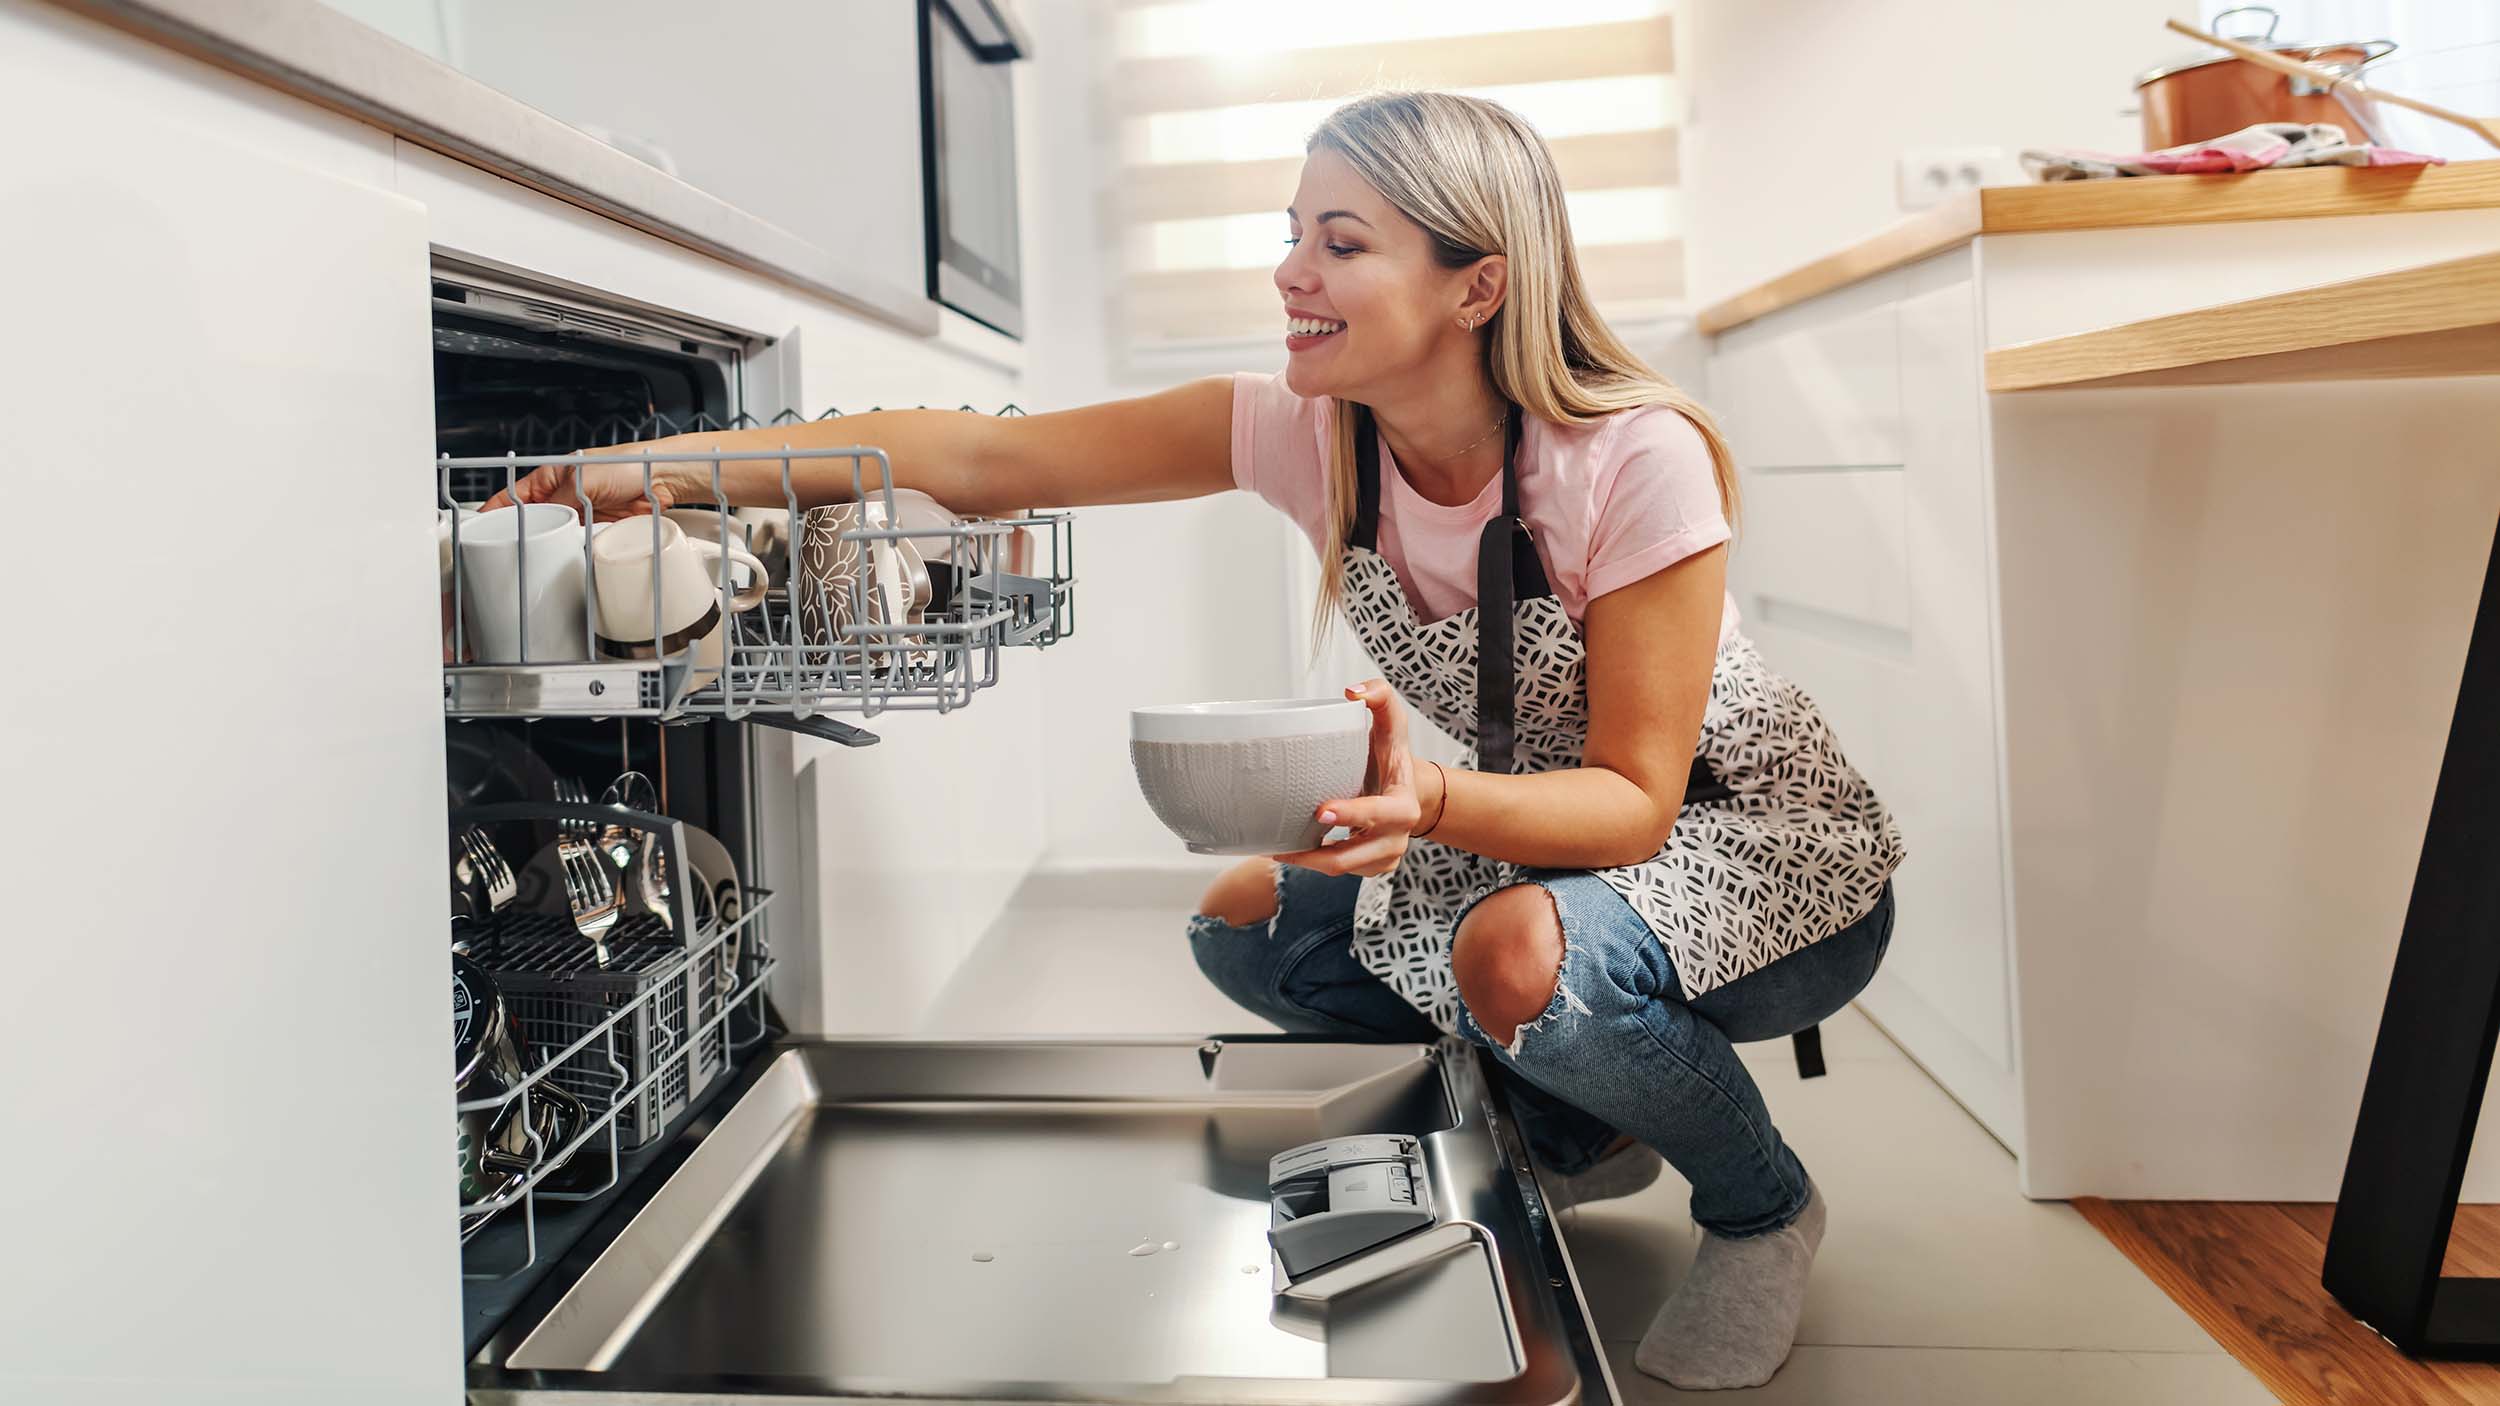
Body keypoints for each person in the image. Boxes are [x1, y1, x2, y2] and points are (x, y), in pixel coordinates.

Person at [483, 89, 1905, 1391]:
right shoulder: (1317, 433)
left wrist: (1429, 798)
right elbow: (987, 460)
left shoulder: (1628, 456)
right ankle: (1588, 1119)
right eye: (1292, 234)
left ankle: (1762, 1202)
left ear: (1478, 284)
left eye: (1341, 242)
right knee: (1244, 925)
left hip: (1763, 859)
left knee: (1511, 957)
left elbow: (1638, 802)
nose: (1291, 271)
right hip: (1531, 829)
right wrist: (634, 474)